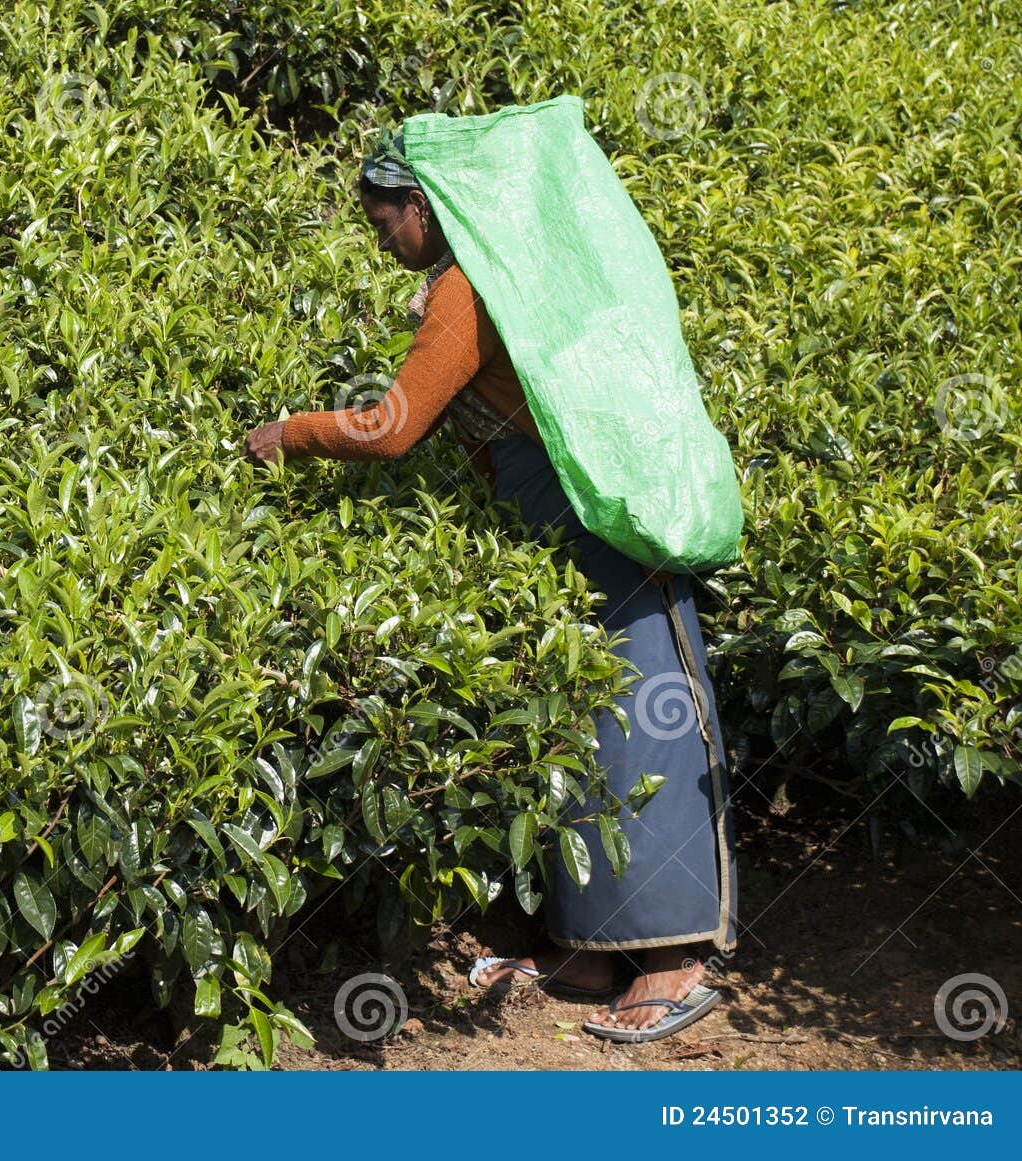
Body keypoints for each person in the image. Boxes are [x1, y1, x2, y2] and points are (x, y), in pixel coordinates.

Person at [243, 128, 737, 1043]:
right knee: (587, 729)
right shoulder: (476, 282)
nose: (382, 242)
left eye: (384, 223)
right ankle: (591, 947)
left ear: (424, 208)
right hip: (556, 529)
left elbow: (393, 426)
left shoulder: (469, 288)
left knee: (645, 724)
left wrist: (293, 431)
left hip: (598, 534)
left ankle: (675, 958)